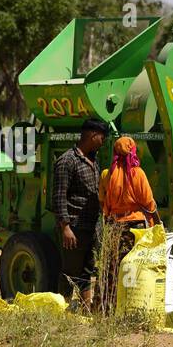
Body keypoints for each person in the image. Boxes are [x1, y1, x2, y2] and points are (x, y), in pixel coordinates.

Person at [98, 136, 159, 312]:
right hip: (136, 228)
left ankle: (109, 307)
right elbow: (148, 201)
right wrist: (156, 220)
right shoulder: (138, 173)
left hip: (114, 226)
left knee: (113, 267)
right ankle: (131, 305)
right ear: (132, 151)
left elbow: (102, 201)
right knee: (133, 267)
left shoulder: (106, 174)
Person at [52, 118, 109, 303]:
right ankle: (62, 309)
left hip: (91, 226)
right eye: (102, 137)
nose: (103, 142)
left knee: (87, 270)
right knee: (70, 271)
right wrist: (65, 228)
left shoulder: (93, 159)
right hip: (74, 227)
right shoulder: (67, 161)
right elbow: (59, 196)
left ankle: (86, 309)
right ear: (93, 136)